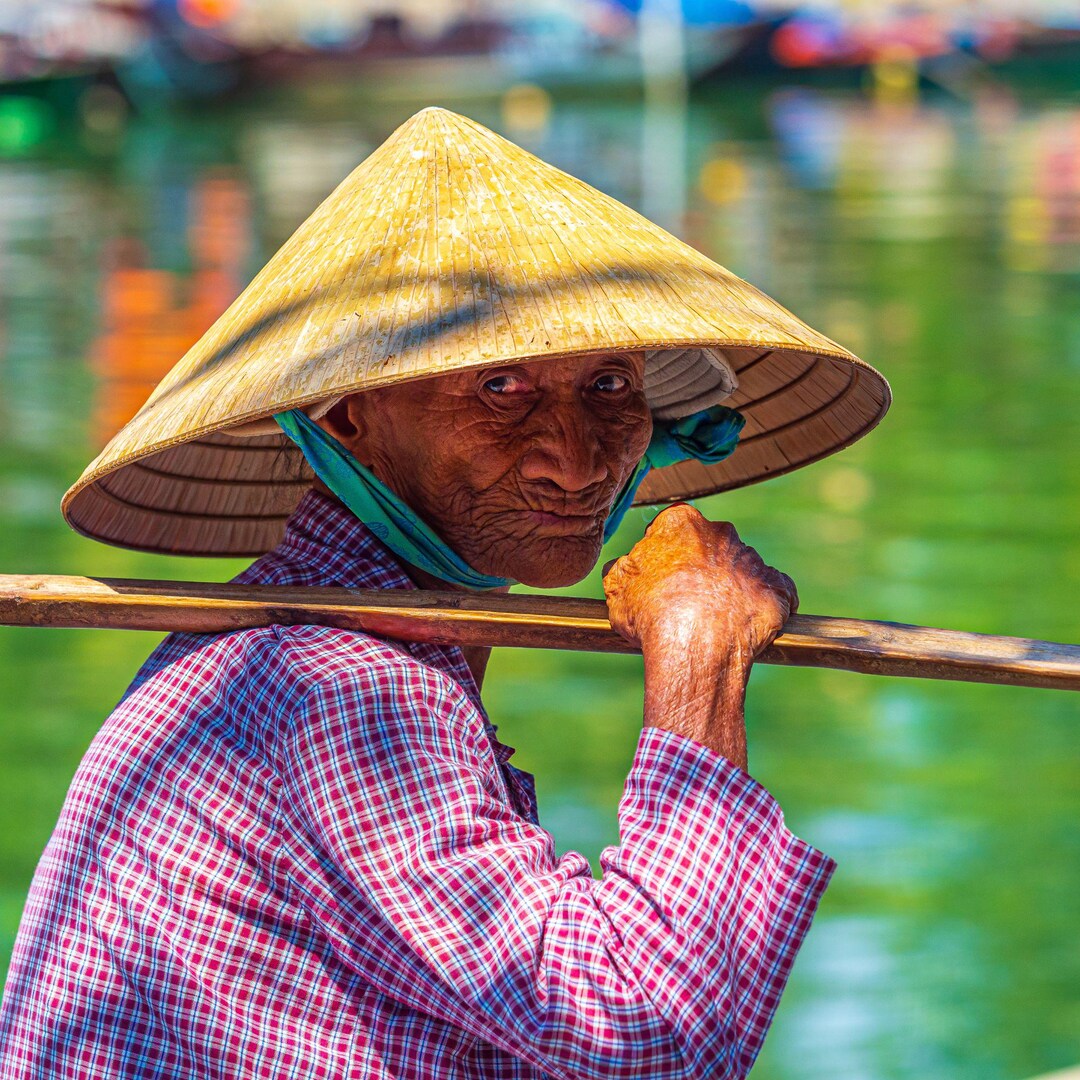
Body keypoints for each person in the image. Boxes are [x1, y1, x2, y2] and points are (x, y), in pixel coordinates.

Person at [0, 108, 890, 1078]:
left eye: (608, 387)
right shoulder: (334, 686)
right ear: (350, 415)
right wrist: (700, 650)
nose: (574, 459)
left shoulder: (296, 650)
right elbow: (644, 1037)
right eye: (502, 388)